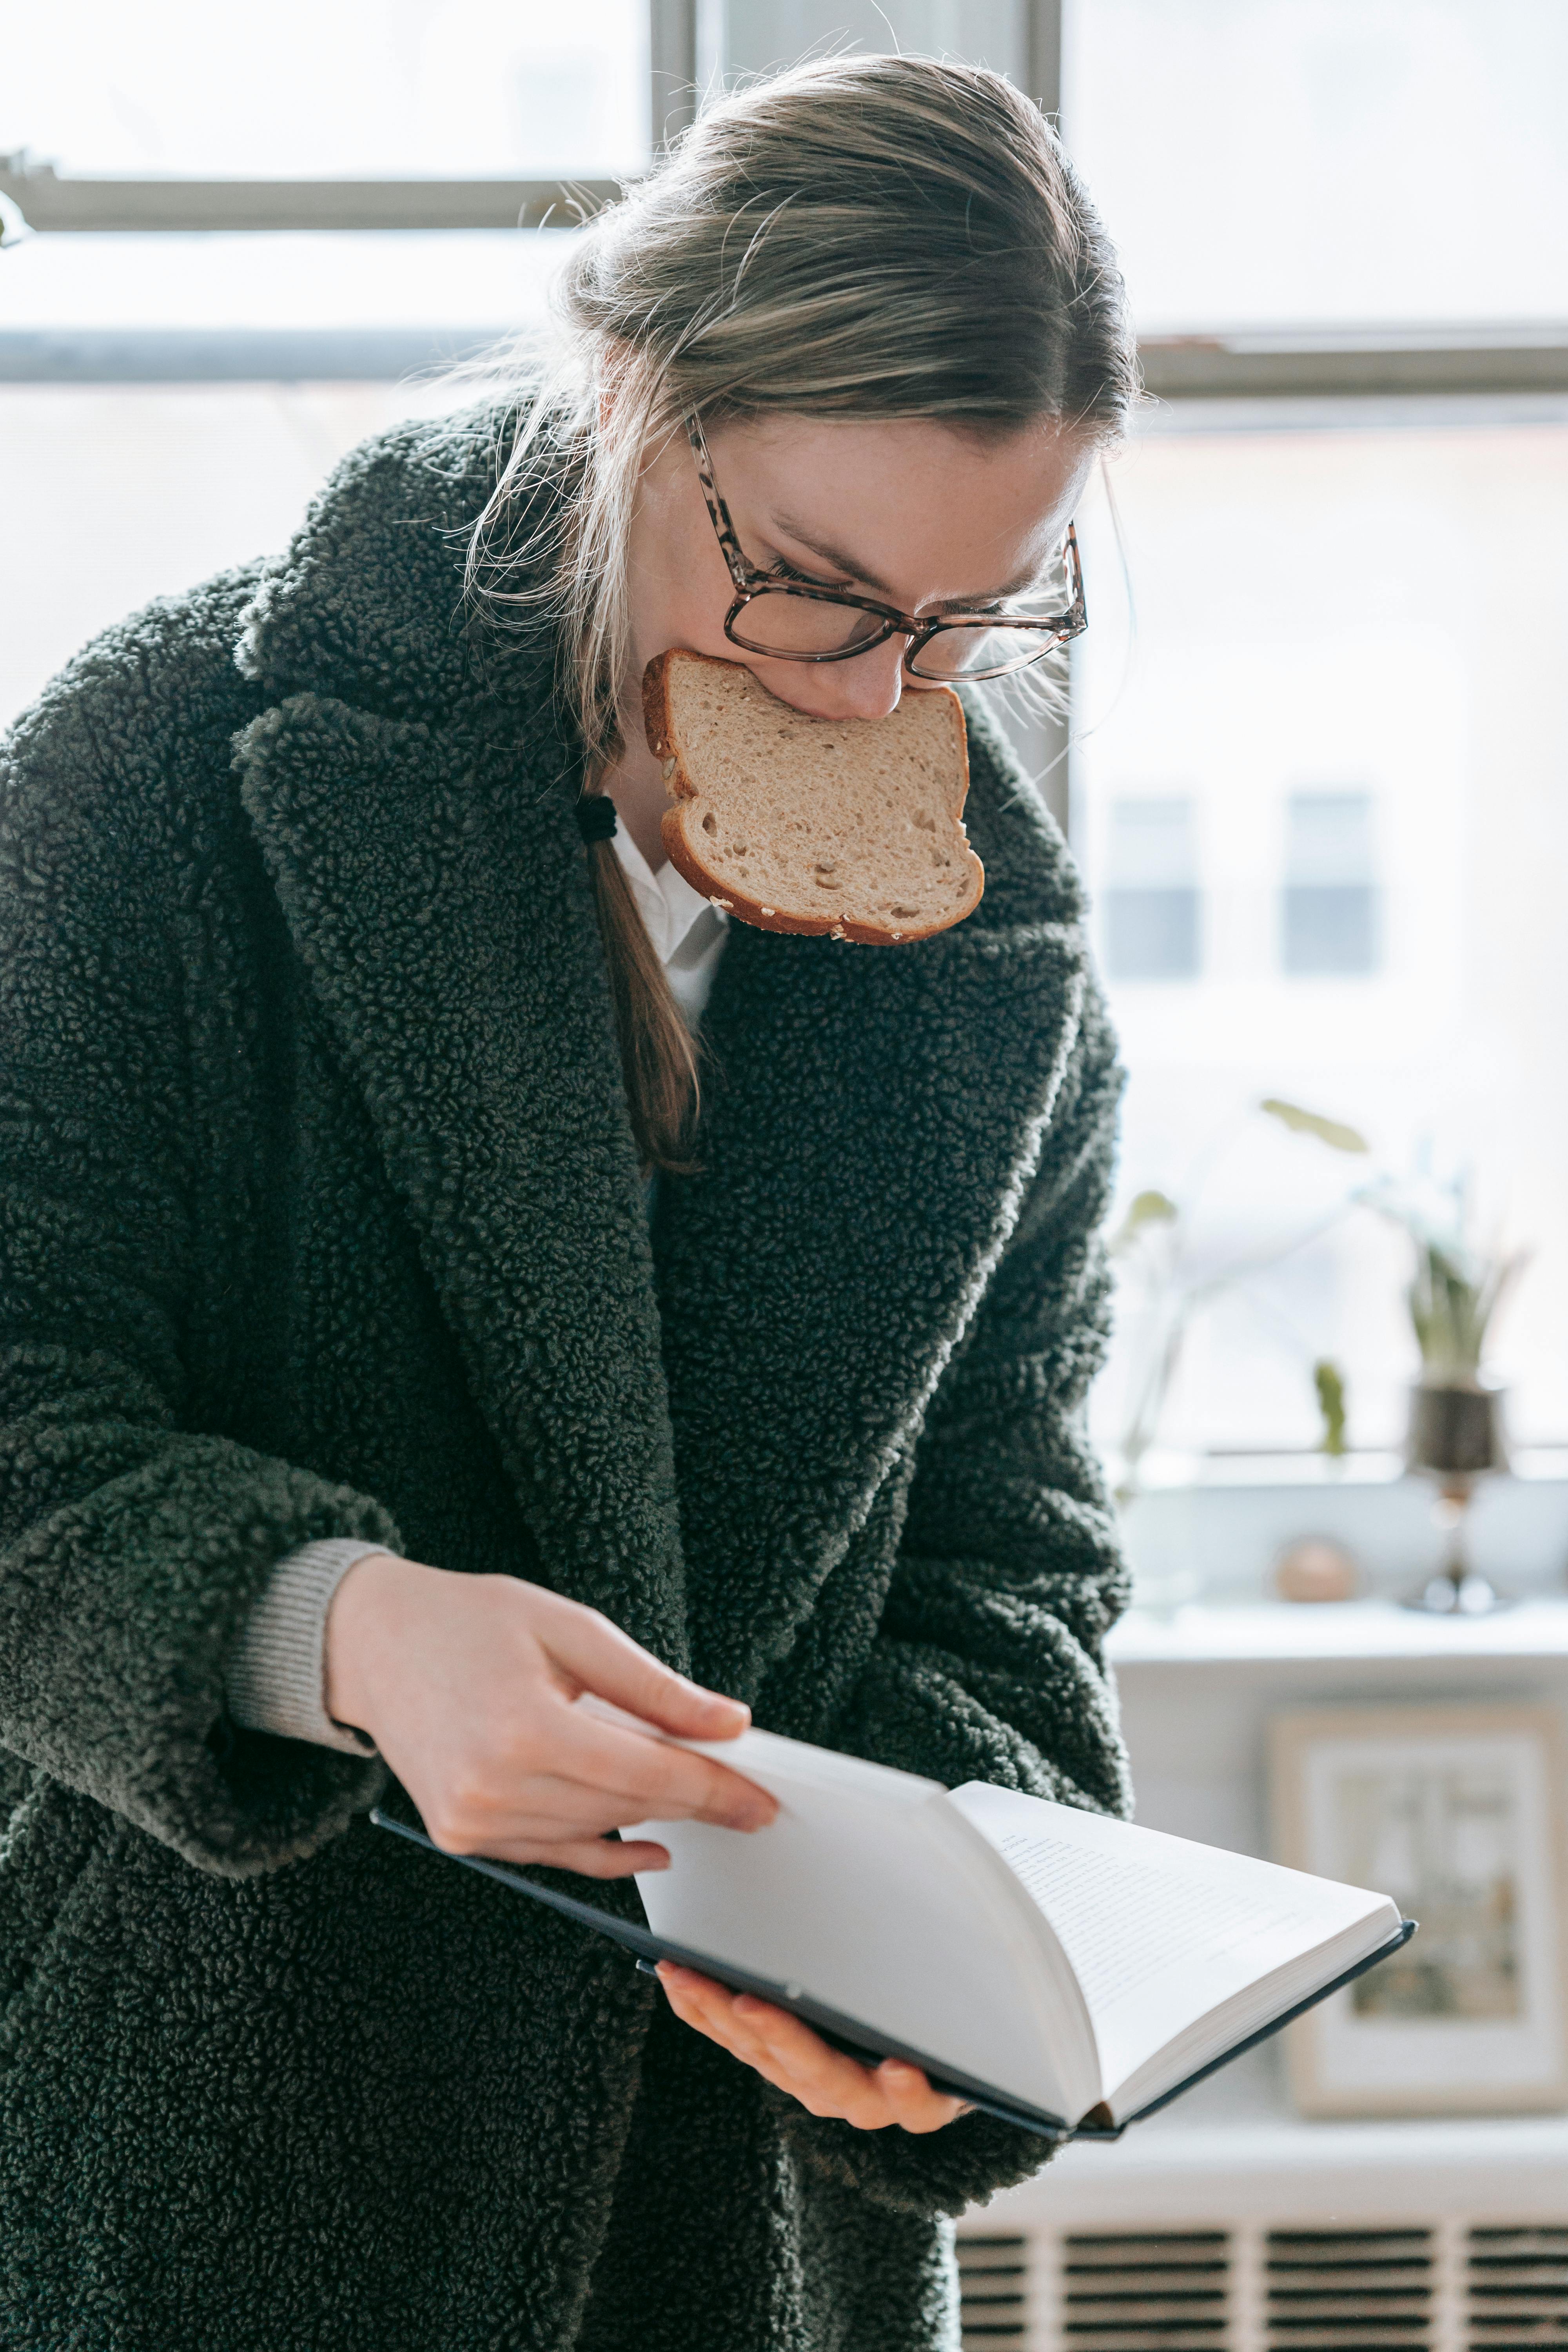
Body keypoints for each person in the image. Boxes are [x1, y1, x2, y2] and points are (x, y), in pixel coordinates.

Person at [0, 52, 1137, 2352]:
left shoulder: (998, 965)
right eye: (821, 597)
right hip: (201, 2193)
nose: (883, 698)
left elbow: (1019, 1564)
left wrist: (932, 1961)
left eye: (978, 621)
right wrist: (326, 1631)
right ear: (632, 397)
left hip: (756, 2249)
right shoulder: (161, 775)